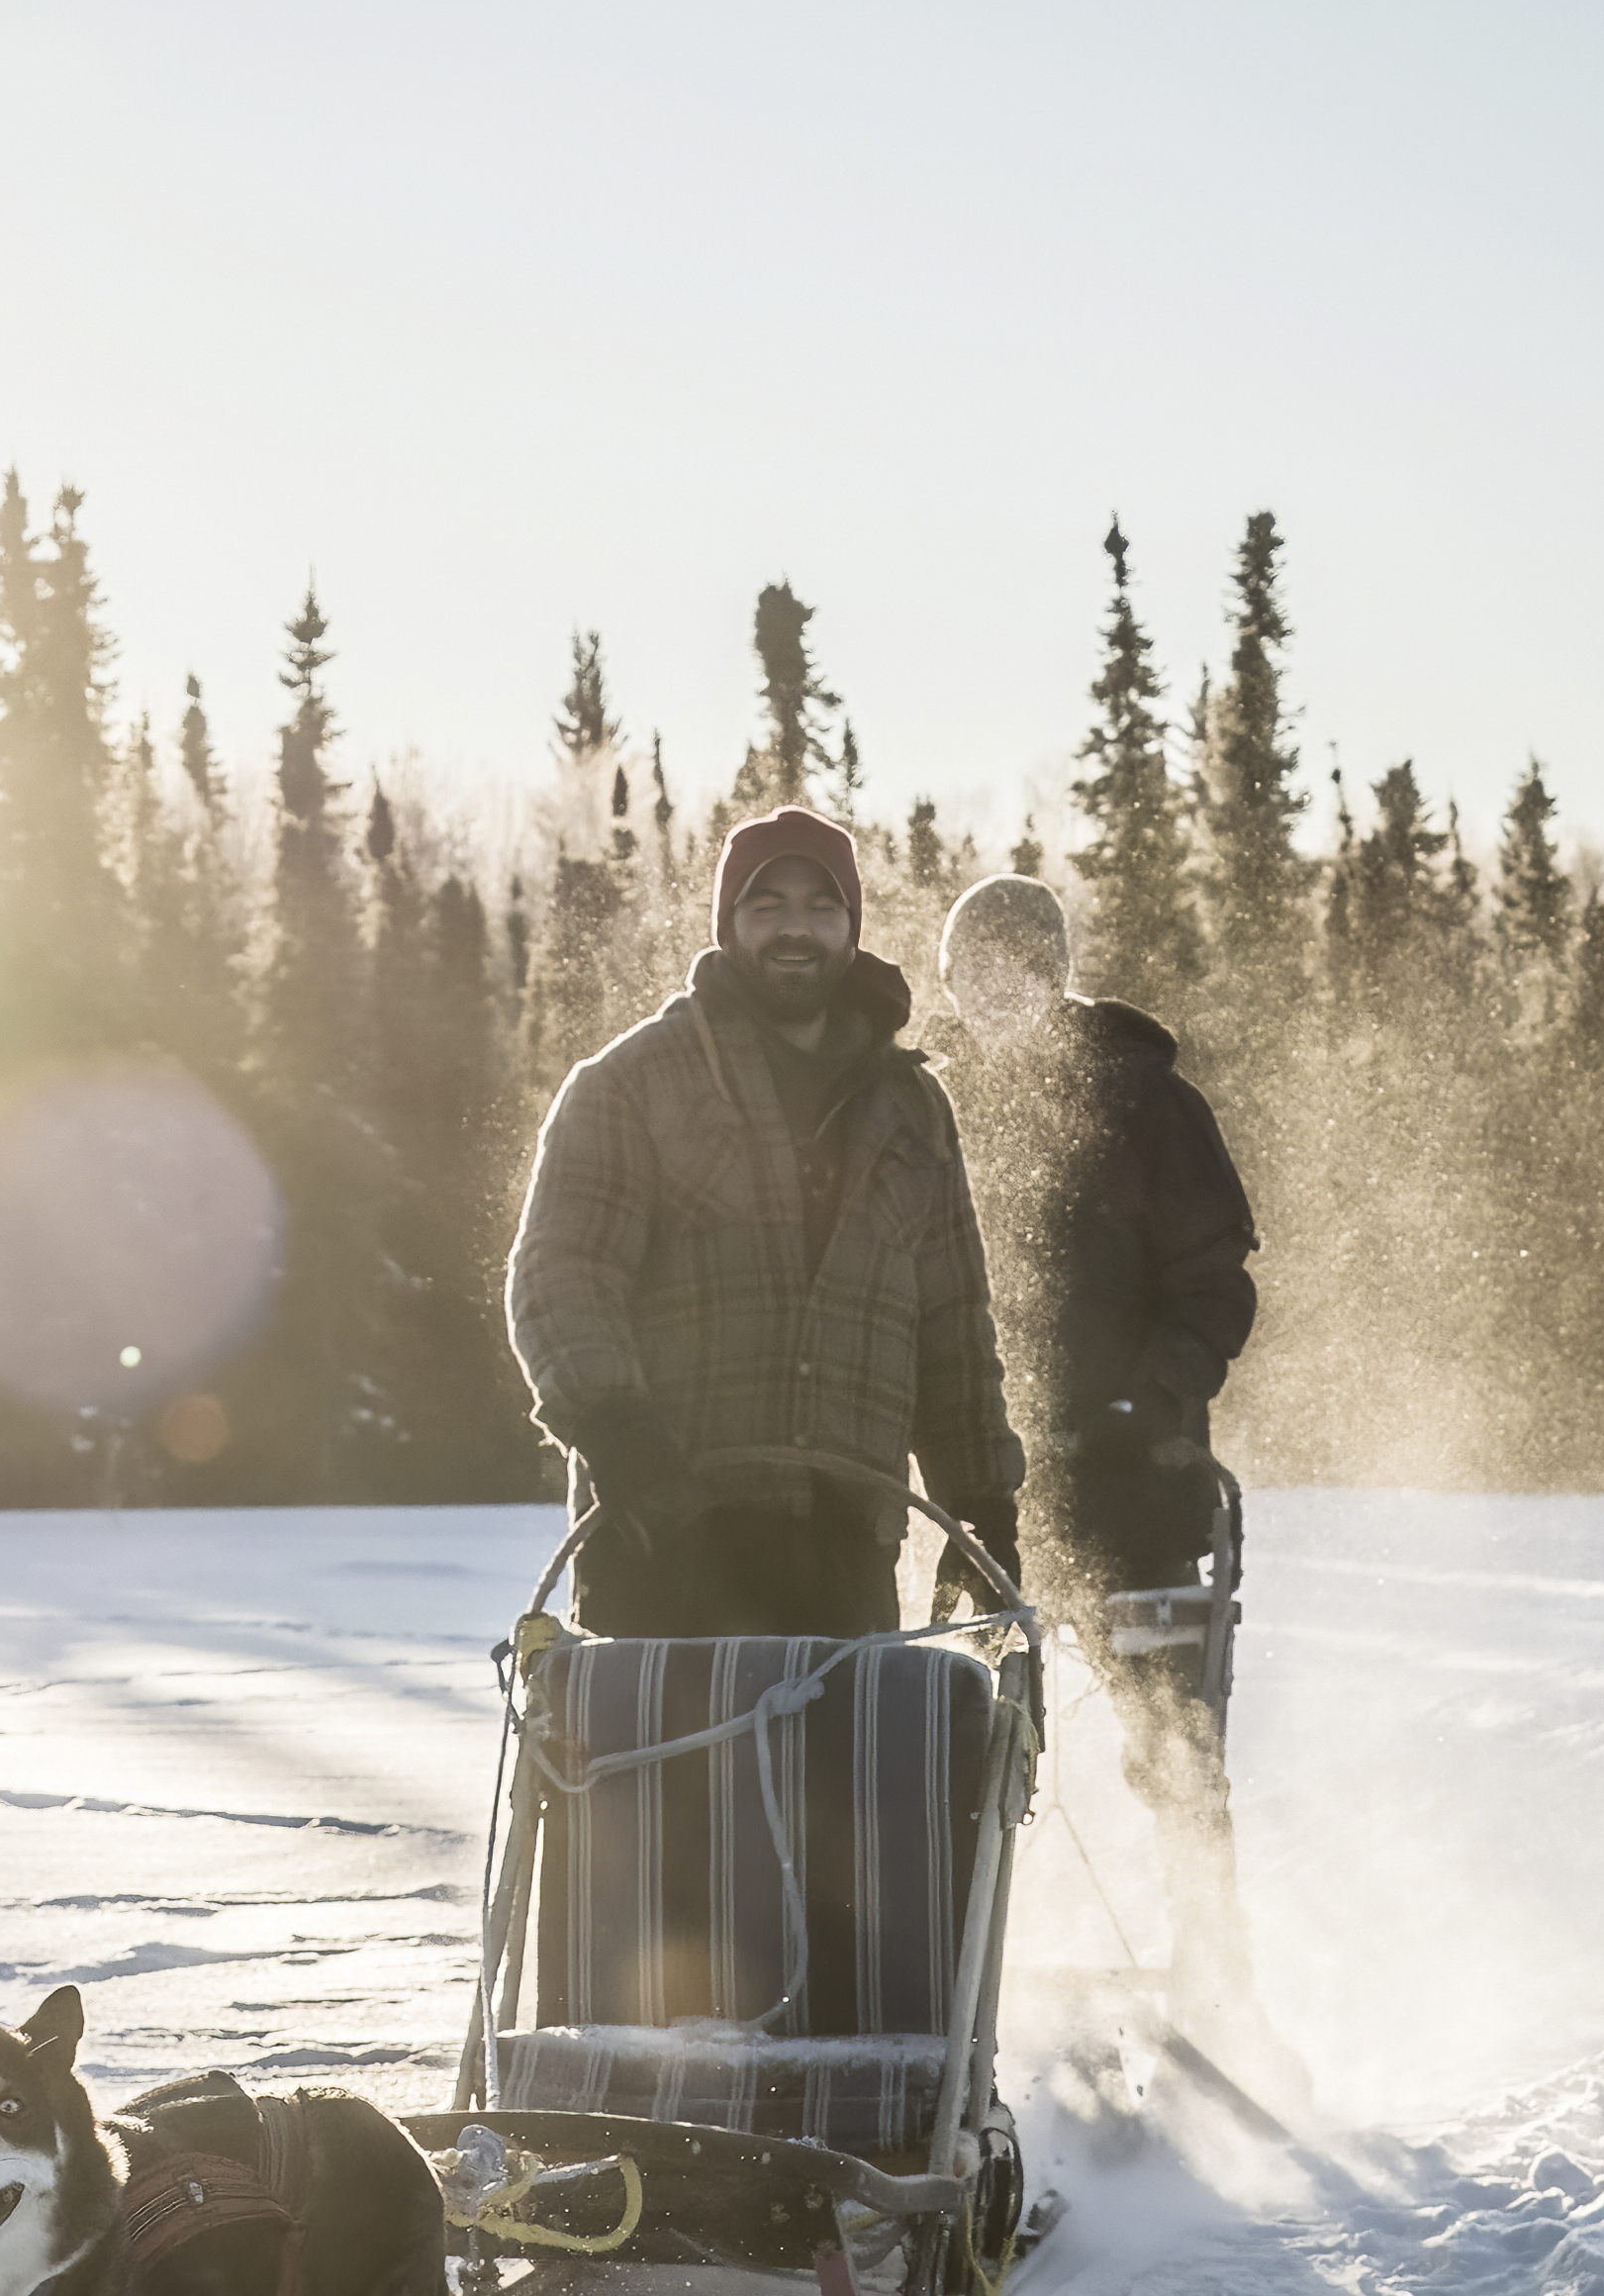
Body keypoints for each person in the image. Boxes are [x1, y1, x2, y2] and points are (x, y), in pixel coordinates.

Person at [507, 808, 1023, 1639]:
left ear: (852, 928)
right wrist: (617, 1434)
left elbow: (954, 1327)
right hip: (664, 1542)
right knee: (664, 1772)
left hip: (845, 1552)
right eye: (766, 905)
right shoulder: (630, 1084)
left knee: (846, 1772)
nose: (796, 929)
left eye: (822, 907)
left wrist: (982, 1503)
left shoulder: (913, 1108)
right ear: (728, 926)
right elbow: (559, 1277)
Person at [935, 872, 1267, 2026]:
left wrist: (1149, 1403)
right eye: (973, 970)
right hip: (981, 1494)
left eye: (1019, 963)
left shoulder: (1141, 1100)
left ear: (1056, 969)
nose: (995, 989)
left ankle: (1219, 1985)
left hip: (1134, 1487)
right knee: (954, 1751)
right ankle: (954, 1999)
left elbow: (1213, 1284)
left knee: (1171, 1750)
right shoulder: (934, 1107)